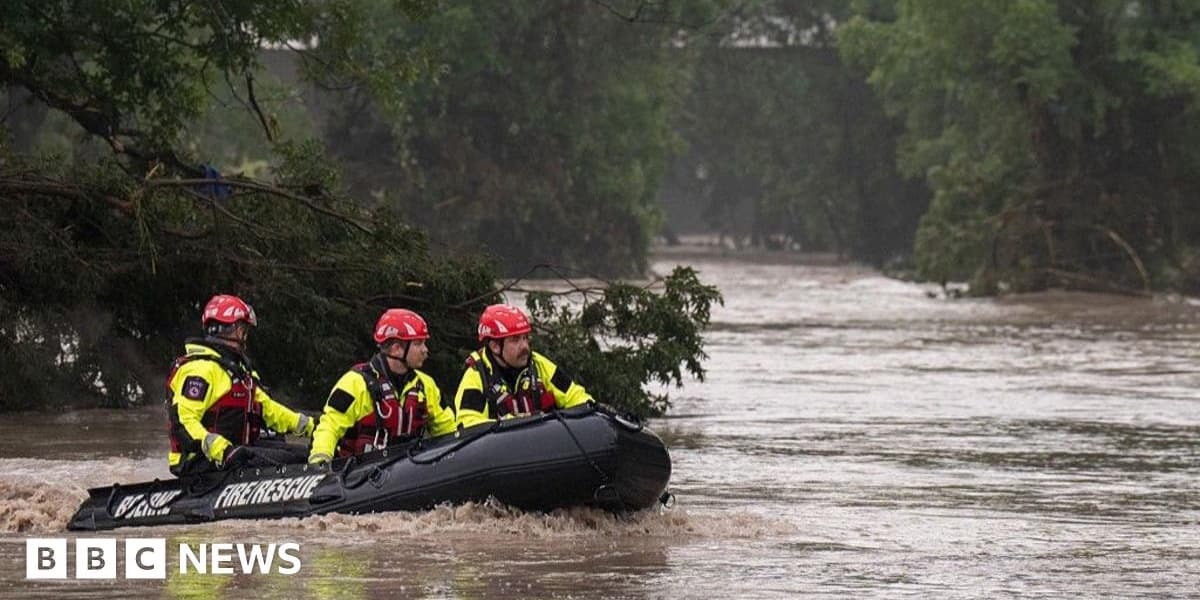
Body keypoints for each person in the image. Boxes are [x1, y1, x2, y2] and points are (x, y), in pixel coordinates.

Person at [165, 294, 314, 476]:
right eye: (243, 329)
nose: (245, 336)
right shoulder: (201, 370)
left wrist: (310, 426)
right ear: (232, 329)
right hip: (202, 462)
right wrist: (222, 450)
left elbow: (269, 410)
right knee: (295, 461)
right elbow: (184, 421)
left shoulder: (237, 371)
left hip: (234, 453)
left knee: (301, 454)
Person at [308, 308, 454, 466]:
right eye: (418, 343)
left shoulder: (426, 385)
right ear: (397, 349)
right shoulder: (355, 383)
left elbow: (447, 428)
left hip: (409, 471)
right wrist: (320, 459)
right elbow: (330, 425)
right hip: (358, 475)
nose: (425, 350)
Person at [453, 304, 591, 430]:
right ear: (495, 346)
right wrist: (509, 424)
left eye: (525, 338)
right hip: (503, 452)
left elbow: (574, 396)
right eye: (515, 340)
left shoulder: (539, 364)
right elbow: (469, 423)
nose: (525, 346)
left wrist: (590, 409)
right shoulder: (476, 376)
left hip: (546, 445)